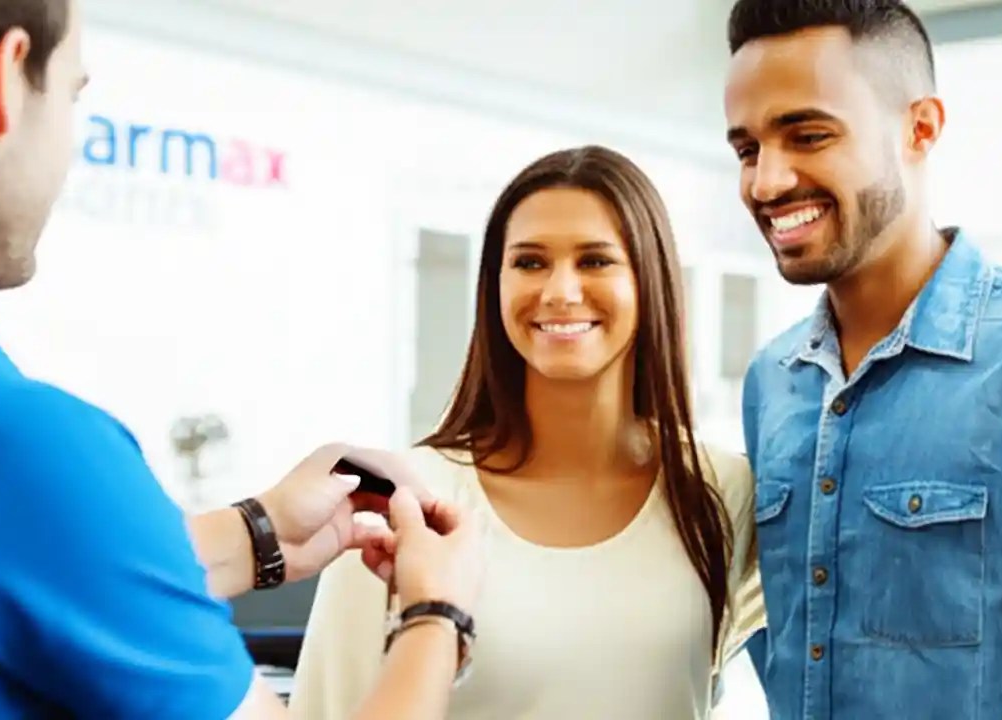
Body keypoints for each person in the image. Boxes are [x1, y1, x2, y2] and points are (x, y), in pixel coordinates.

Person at [0, 1, 485, 718]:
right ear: (2, 80)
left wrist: (259, 532)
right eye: (72, 95)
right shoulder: (14, 451)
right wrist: (436, 616)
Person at [288, 145, 765, 719]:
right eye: (530, 262)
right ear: (495, 284)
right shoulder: (401, 504)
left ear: (649, 280)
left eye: (594, 261)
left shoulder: (719, 491)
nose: (560, 291)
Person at [724, 1, 1002, 718]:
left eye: (807, 134)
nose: (767, 182)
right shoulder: (774, 383)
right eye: (746, 149)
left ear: (920, 128)